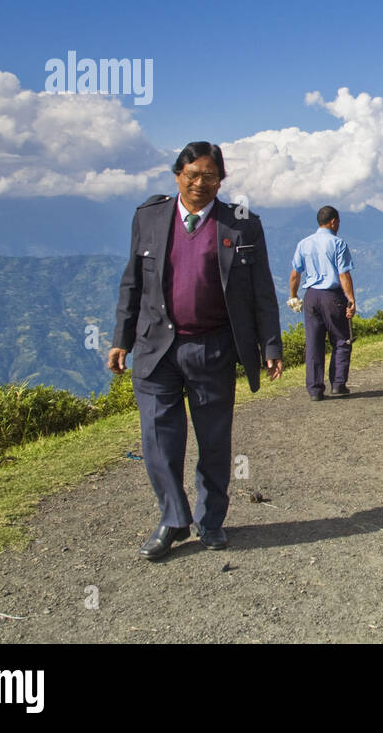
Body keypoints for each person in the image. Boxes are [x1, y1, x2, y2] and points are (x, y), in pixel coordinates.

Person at [109, 142, 283, 560]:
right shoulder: (148, 217)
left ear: (221, 180)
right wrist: (121, 338)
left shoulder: (241, 225)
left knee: (214, 440)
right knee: (158, 438)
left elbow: (262, 290)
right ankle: (173, 518)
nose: (200, 183)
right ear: (177, 176)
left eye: (209, 176)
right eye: (192, 175)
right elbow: (132, 282)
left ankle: (211, 520)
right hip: (156, 349)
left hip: (213, 349)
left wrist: (270, 344)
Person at [289, 206, 357, 400]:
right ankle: (338, 384)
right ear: (333, 221)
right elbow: (343, 274)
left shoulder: (304, 244)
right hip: (332, 296)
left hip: (311, 296)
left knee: (314, 343)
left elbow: (295, 274)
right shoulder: (338, 243)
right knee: (341, 339)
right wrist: (351, 299)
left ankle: (315, 390)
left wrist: (293, 296)